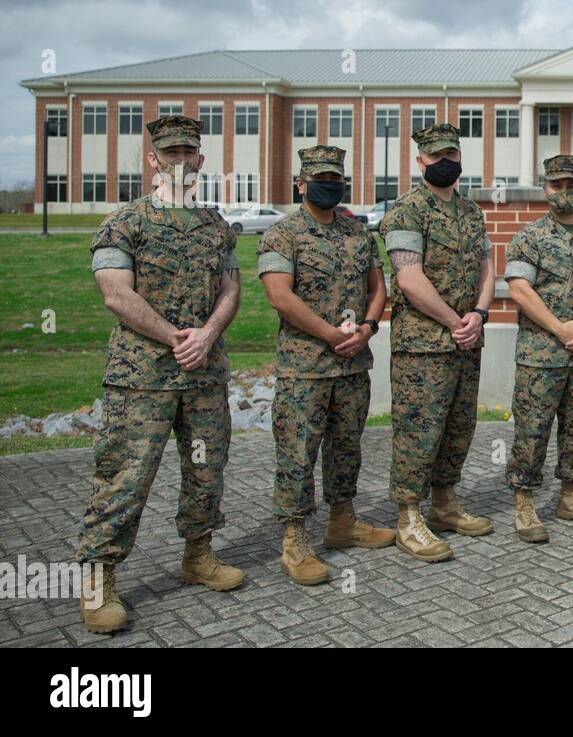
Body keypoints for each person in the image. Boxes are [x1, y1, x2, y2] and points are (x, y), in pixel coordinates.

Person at [78, 115, 244, 632]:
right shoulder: (124, 222)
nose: (178, 161)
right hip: (142, 376)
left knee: (205, 471)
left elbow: (231, 289)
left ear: (200, 159)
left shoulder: (216, 225)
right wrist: (175, 336)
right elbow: (114, 292)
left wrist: (208, 335)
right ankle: (98, 577)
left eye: (186, 153)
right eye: (168, 153)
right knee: (125, 478)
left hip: (203, 374)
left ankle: (198, 554)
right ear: (153, 159)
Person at [258, 145, 395, 585]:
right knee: (298, 455)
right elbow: (280, 296)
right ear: (300, 184)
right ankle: (295, 540)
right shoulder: (283, 235)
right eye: (319, 179)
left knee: (347, 449)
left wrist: (369, 328)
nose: (328, 185)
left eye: (335, 179)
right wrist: (329, 334)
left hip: (353, 364)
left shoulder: (358, 232)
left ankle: (342, 522)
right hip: (306, 367)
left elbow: (379, 286)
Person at [380, 122, 495, 562]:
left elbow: (487, 265)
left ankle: (445, 503)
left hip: (466, 339)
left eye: (451, 155)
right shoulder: (406, 211)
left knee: (458, 426)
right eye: (436, 156)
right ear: (420, 161)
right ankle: (408, 517)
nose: (445, 162)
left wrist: (479, 315)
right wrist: (454, 321)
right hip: (423, 345)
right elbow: (409, 278)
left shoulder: (471, 212)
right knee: (418, 430)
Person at [502, 154, 573, 542]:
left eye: (572, 185)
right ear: (545, 188)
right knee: (532, 430)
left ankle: (572, 494)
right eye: (558, 185)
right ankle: (524, 502)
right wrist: (559, 330)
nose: (565, 192)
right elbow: (520, 289)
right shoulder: (530, 237)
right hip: (540, 357)